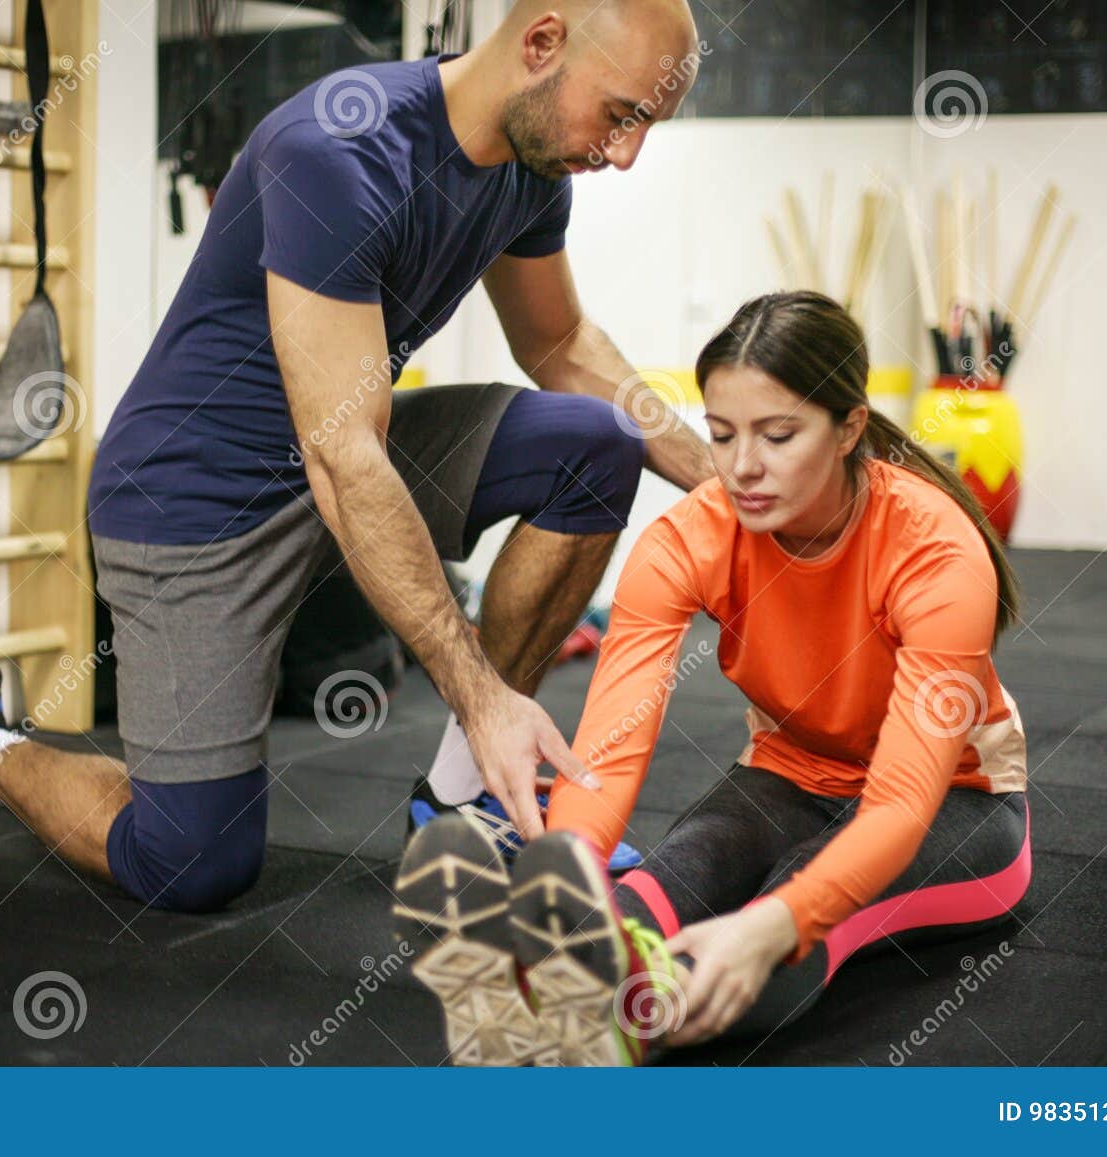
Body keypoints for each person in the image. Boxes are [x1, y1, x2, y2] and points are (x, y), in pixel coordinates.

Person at [0, 0, 715, 914]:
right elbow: (344, 458)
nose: (624, 154)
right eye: (623, 114)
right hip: (192, 502)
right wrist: (481, 694)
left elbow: (561, 345)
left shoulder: (532, 170)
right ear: (542, 45)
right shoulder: (338, 151)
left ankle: (461, 804)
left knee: (597, 443)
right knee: (191, 861)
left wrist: (730, 480)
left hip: (345, 457)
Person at [394, 291, 1032, 1065]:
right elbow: (610, 752)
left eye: (779, 435)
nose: (743, 468)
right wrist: (566, 880)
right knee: (673, 873)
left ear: (850, 428)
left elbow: (899, 801)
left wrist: (778, 923)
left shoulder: (936, 552)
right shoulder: (688, 537)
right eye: (722, 435)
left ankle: (606, 1023)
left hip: (957, 804)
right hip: (788, 775)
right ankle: (555, 978)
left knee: (787, 914)